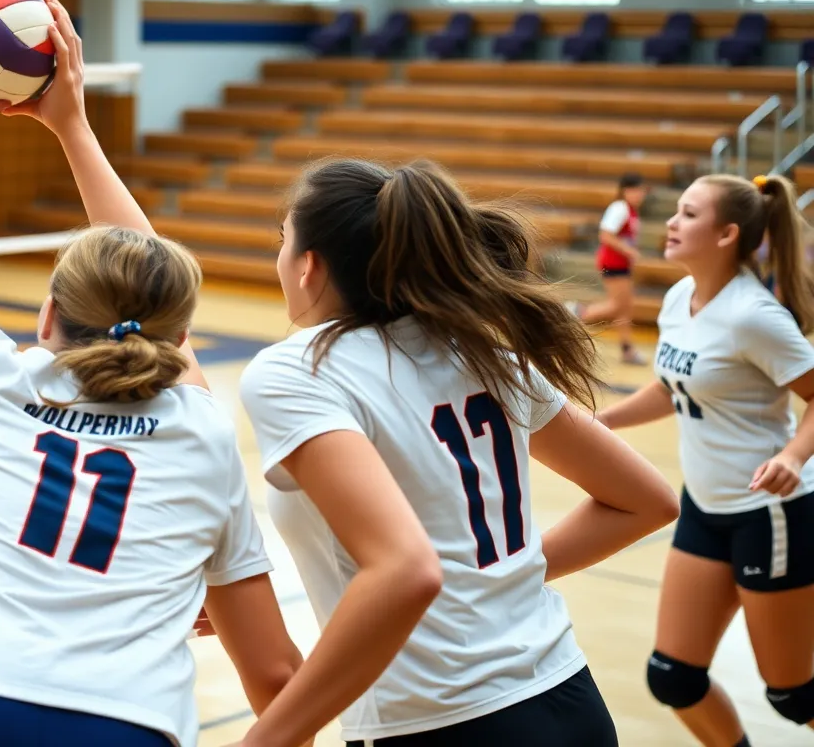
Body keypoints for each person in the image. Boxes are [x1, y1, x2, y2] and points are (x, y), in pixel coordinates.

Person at [0, 6, 307, 747]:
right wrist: (73, 126)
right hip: (124, 725)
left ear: (46, 316)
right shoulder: (200, 428)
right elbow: (275, 679)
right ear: (178, 334)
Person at [236, 156, 681, 746]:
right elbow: (647, 500)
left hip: (440, 721)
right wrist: (486, 575)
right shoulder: (482, 352)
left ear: (310, 266)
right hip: (569, 698)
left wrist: (267, 739)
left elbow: (405, 573)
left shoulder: (300, 369)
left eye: (283, 240)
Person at [597, 173, 814, 746]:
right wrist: (599, 423)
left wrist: (795, 453)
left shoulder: (754, 316)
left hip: (769, 515)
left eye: (689, 214)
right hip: (705, 508)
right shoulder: (677, 300)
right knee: (673, 676)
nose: (671, 222)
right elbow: (673, 387)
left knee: (793, 695)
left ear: (727, 235)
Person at [570, 172, 650, 365]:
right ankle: (575, 315)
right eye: (635, 190)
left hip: (621, 263)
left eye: (641, 190)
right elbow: (606, 235)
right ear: (625, 191)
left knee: (625, 306)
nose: (639, 194)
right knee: (618, 306)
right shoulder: (619, 208)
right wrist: (628, 251)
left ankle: (627, 348)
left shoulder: (631, 211)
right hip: (613, 262)